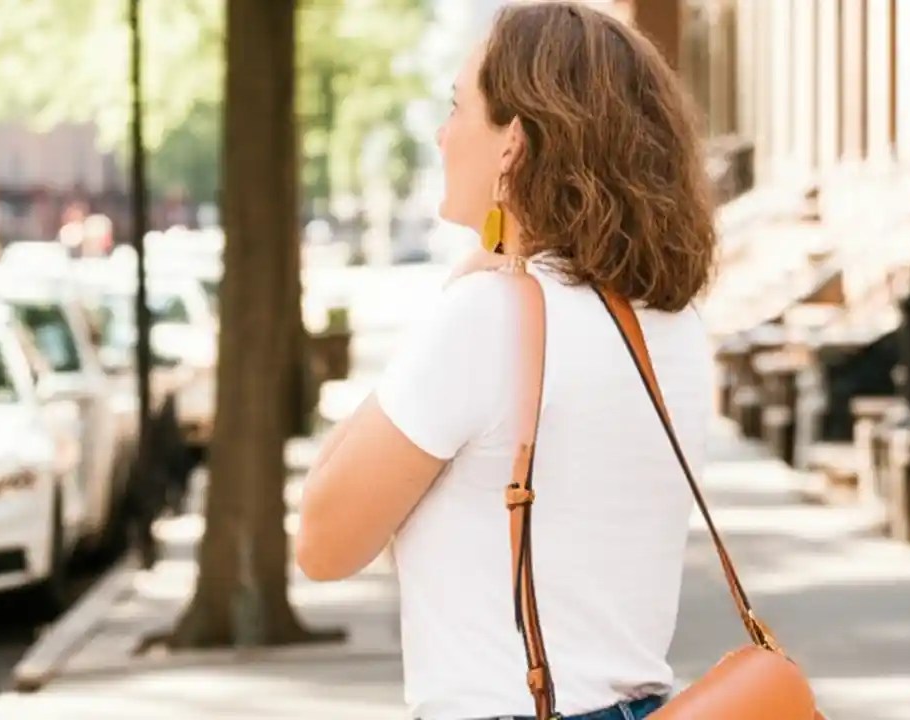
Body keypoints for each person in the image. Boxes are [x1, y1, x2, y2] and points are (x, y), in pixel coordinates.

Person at [296, 4, 717, 719]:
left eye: (459, 107)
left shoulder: (483, 321)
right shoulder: (672, 326)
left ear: (513, 145)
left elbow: (323, 542)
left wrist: (453, 298)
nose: (441, 133)